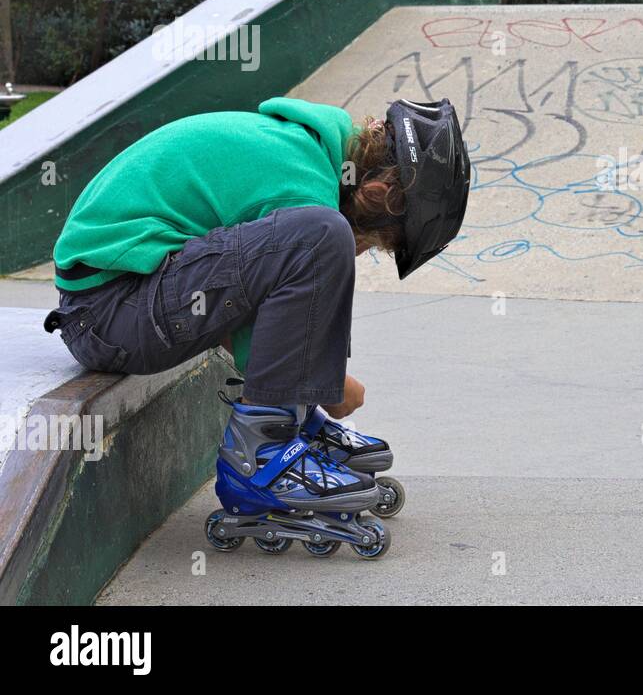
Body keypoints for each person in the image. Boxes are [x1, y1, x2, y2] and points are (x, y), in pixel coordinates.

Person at [42, 96, 469, 556]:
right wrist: (328, 386)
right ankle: (260, 460)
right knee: (321, 236)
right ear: (383, 195)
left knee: (317, 239)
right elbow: (265, 307)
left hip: (120, 303)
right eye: (380, 240)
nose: (367, 251)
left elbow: (247, 295)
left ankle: (287, 429)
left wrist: (313, 390)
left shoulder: (306, 154)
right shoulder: (299, 185)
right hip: (112, 310)